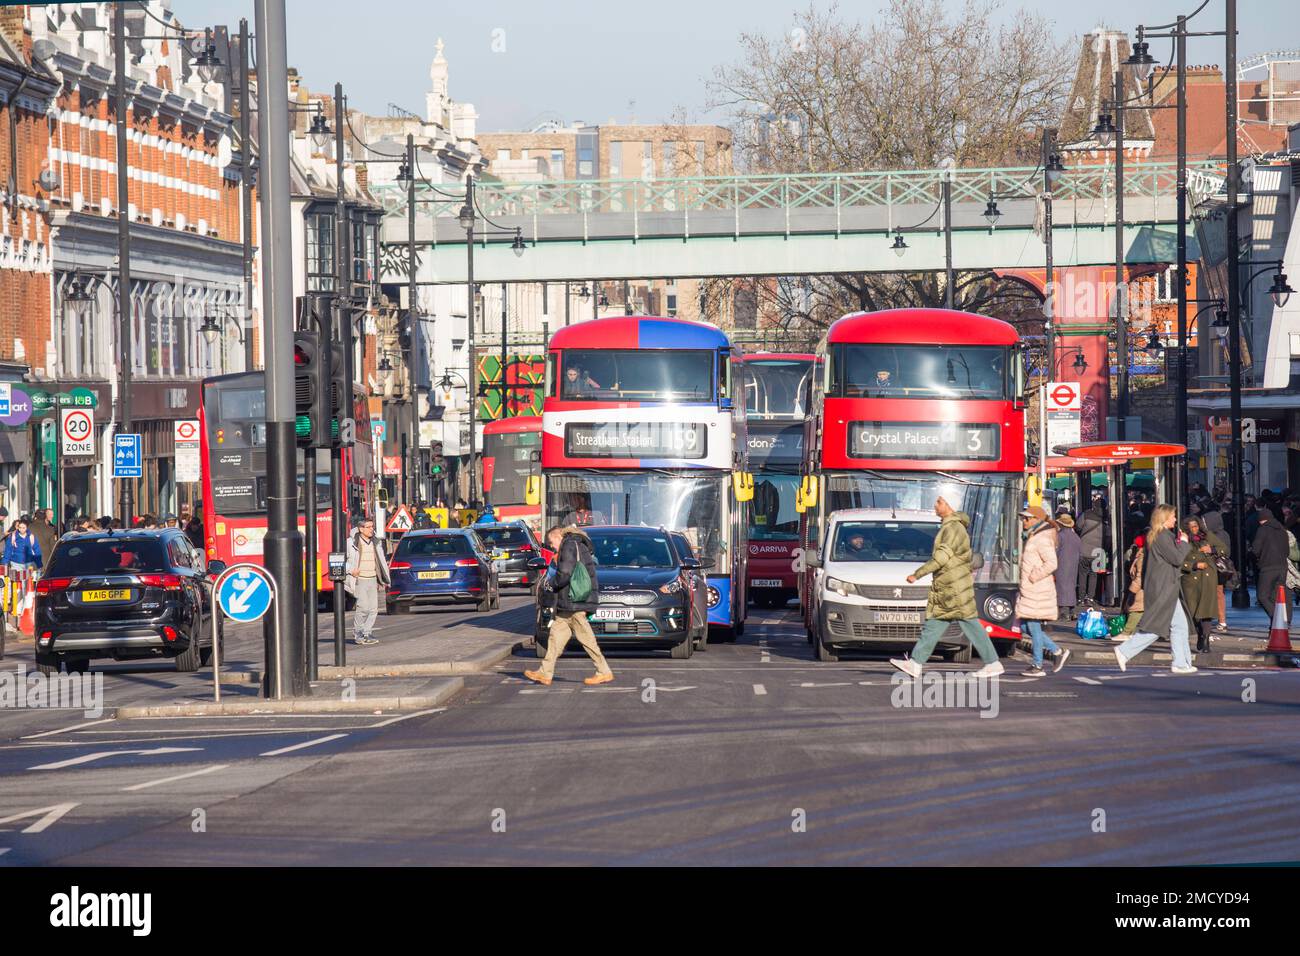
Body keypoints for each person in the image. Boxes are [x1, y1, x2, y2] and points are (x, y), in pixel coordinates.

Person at [890, 496, 1004, 679]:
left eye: (939, 502)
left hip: (954, 589)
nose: (935, 505)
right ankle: (916, 663)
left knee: (967, 624)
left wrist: (917, 574)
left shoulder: (953, 528)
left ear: (950, 505)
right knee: (936, 625)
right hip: (951, 588)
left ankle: (992, 662)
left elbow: (941, 558)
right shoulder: (951, 526)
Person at [1113, 504, 1197, 675]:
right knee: (1156, 627)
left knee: (1180, 626)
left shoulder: (1159, 536)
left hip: (1167, 587)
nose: (1175, 519)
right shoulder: (1162, 536)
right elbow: (1177, 558)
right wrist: (1185, 543)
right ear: (1164, 518)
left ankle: (1181, 663)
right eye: (1173, 516)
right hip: (1164, 588)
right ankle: (1124, 651)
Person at [525, 526, 614, 686]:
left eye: (552, 543)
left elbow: (565, 572)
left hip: (575, 603)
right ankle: (545, 673)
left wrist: (552, 584)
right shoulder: (575, 544)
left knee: (587, 639)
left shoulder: (569, 544)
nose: (552, 546)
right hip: (568, 604)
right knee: (555, 639)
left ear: (559, 537)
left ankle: (604, 671)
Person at [1016, 505, 1069, 677]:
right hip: (1032, 589)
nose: (1024, 521)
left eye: (1027, 518)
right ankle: (1057, 651)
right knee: (1025, 626)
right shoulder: (1035, 536)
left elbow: (1052, 563)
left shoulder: (1042, 538)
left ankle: (1037, 665)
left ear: (1037, 520)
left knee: (1033, 626)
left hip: (1037, 589)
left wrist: (1033, 576)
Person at [1180, 516, 1224, 654]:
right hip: (1190, 581)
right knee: (1192, 611)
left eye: (1196, 526)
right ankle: (1200, 633)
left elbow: (1224, 548)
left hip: (1207, 577)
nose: (1195, 529)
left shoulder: (1207, 536)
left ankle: (1205, 639)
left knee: (1206, 611)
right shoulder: (1182, 539)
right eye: (1192, 527)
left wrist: (1212, 549)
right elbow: (1177, 560)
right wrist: (1193, 565)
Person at [344, 516, 389, 646]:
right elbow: (341, 559)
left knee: (373, 609)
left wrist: (382, 578)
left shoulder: (376, 542)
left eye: (372, 527)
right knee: (363, 607)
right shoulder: (351, 542)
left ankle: (367, 633)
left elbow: (380, 560)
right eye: (368, 527)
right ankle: (358, 632)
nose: (371, 529)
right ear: (360, 529)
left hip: (373, 579)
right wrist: (351, 570)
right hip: (360, 579)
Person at [1252, 508, 1291, 626]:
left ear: (1260, 519)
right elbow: (1287, 551)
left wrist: (1257, 556)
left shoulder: (1262, 530)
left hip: (1268, 567)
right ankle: (1283, 622)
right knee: (1278, 596)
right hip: (1282, 567)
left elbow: (1256, 549)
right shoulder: (1282, 530)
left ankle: (1278, 619)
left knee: (1262, 596)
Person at [1197, 498, 1230, 631]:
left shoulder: (1216, 535)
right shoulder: (1223, 533)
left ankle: (1218, 620)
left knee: (1216, 593)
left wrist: (1211, 550)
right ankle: (1221, 620)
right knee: (1218, 593)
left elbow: (1224, 550)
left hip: (1214, 568)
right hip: (1216, 568)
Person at [1075, 497, 1106, 606]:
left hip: (1084, 549)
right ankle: (1091, 598)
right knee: (1094, 575)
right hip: (1098, 551)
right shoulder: (1106, 518)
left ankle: (1081, 597)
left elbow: (1078, 527)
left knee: (1083, 574)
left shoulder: (1086, 514)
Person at [1118, 533, 1146, 638]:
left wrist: (1133, 591)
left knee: (1136, 609)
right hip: (1139, 587)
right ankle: (1128, 632)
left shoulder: (1141, 556)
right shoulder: (1140, 555)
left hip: (1139, 588)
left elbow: (1139, 575)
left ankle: (1127, 632)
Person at [1054, 513, 1081, 621]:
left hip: (1061, 563)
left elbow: (1055, 551)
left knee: (1062, 586)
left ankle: (1064, 611)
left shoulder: (1060, 536)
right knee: (1071, 585)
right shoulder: (1076, 537)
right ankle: (1072, 610)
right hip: (1073, 564)